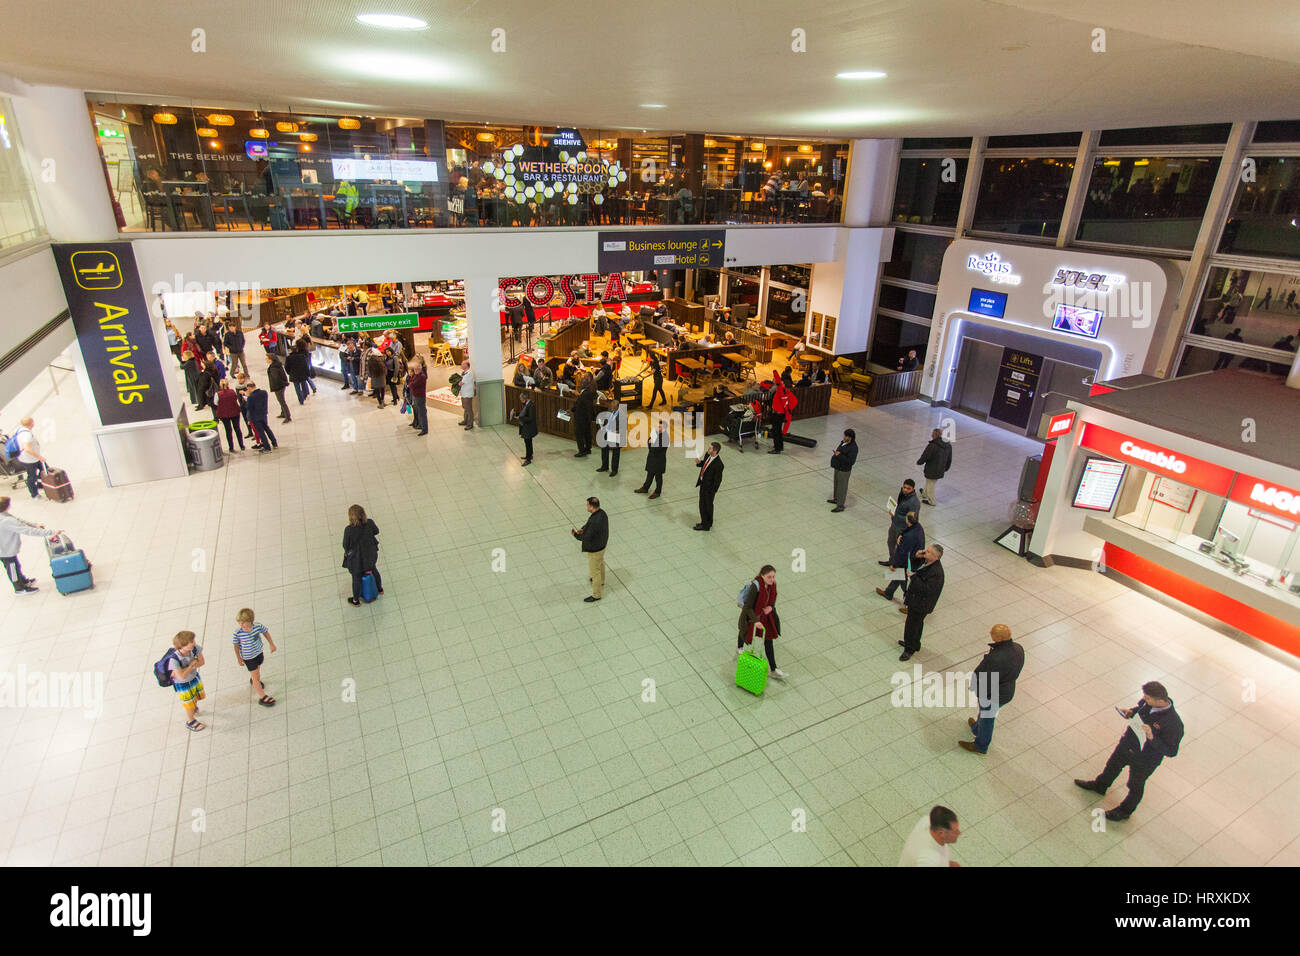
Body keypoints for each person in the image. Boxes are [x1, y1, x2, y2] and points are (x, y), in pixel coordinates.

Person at [1075, 681, 1184, 821]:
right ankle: (1099, 786)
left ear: (1161, 700)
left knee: (1135, 784)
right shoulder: (1148, 702)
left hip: (1145, 759)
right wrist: (1131, 712)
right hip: (1128, 744)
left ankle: (1124, 811)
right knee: (1112, 766)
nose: (1144, 700)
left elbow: (1171, 751)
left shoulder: (1174, 724)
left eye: (1147, 698)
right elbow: (1140, 708)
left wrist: (1152, 737)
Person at [959, 624, 1024, 756]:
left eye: (992, 633)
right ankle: (977, 728)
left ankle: (980, 746)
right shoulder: (1018, 648)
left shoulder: (997, 658)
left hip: (993, 693)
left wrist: (977, 688)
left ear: (999, 638)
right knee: (984, 713)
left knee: (988, 718)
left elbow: (987, 678)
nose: (990, 634)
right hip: (1007, 689)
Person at [736, 564, 786, 680]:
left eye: (773, 577)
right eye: (769, 577)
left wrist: (771, 607)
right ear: (762, 576)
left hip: (765, 616)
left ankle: (773, 668)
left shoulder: (772, 585)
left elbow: (772, 600)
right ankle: (740, 646)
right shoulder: (755, 586)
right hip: (752, 616)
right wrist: (756, 620)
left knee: (768, 640)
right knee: (744, 631)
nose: (772, 580)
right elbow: (747, 607)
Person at [899, 544, 944, 661]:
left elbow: (927, 589)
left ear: (935, 557)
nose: (924, 552)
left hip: (921, 604)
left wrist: (913, 578)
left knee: (912, 625)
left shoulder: (936, 573)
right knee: (917, 624)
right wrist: (917, 557)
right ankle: (914, 644)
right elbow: (915, 566)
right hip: (917, 600)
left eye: (928, 552)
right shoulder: (927, 562)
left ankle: (909, 649)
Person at [0, 496, 54, 592]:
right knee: (12, 568)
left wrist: (35, 525)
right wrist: (50, 532)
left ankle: (22, 581)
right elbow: (27, 531)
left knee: (16, 565)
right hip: (5, 551)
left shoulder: (4, 515)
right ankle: (19, 588)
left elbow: (19, 521)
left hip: (5, 548)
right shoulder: (6, 521)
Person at [876, 511, 924, 603]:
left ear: (908, 520)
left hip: (908, 562)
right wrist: (901, 535)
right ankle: (888, 592)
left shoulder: (909, 537)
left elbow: (903, 553)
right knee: (898, 576)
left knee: (904, 583)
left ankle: (908, 604)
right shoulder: (918, 527)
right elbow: (907, 530)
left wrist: (894, 564)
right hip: (913, 559)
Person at [232, 607, 276, 706]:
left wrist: (271, 644)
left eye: (244, 623)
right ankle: (262, 697)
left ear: (251, 621)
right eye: (240, 623)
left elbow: (266, 633)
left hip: (258, 653)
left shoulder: (257, 626)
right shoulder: (237, 633)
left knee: (258, 669)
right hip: (248, 658)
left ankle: (255, 680)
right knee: (255, 676)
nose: (242, 625)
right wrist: (239, 658)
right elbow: (235, 646)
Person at [165, 630, 207, 732]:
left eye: (193, 640)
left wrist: (186, 669)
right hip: (183, 685)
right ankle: (190, 721)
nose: (193, 643)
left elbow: (202, 662)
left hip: (194, 678)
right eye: (190, 642)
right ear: (182, 646)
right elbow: (182, 677)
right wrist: (192, 665)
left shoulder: (194, 649)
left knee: (196, 696)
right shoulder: (174, 660)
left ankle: (194, 708)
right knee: (189, 704)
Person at [342, 504, 383, 606]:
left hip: (357, 560)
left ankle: (355, 600)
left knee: (356, 577)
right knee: (373, 569)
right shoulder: (369, 522)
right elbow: (376, 531)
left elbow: (345, 545)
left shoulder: (349, 530)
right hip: (370, 555)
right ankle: (379, 589)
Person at [571, 496, 608, 603]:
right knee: (601, 563)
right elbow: (588, 526)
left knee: (594, 572)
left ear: (591, 506)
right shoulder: (602, 513)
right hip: (602, 545)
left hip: (595, 549)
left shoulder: (594, 521)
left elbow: (586, 537)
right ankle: (601, 581)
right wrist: (583, 529)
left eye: (587, 505)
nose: (586, 506)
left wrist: (576, 535)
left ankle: (596, 595)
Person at [880, 479, 921, 565]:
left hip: (902, 528)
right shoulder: (903, 494)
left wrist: (896, 515)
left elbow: (913, 519)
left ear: (913, 489)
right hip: (895, 524)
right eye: (904, 487)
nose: (905, 489)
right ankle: (892, 561)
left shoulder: (914, 502)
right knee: (890, 542)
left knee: (899, 548)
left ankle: (897, 564)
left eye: (908, 488)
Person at [916, 428, 953, 505]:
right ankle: (924, 493)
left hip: (932, 468)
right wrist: (946, 467)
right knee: (930, 481)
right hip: (941, 468)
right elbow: (949, 458)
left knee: (930, 484)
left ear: (934, 435)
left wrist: (919, 462)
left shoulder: (932, 446)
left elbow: (925, 456)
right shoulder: (948, 445)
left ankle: (931, 501)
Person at [13, 417, 47, 500]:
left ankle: (40, 484)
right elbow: (27, 448)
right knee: (32, 476)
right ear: (32, 423)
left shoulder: (19, 428)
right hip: (30, 460)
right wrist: (39, 457)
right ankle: (34, 494)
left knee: (45, 469)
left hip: (26, 457)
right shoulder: (26, 435)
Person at [694, 441, 724, 531]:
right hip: (703, 485)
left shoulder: (719, 464)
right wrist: (699, 463)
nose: (708, 449)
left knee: (705, 506)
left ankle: (705, 526)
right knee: (704, 505)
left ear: (715, 451)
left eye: (710, 448)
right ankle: (707, 522)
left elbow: (718, 480)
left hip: (709, 490)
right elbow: (705, 465)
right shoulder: (708, 455)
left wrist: (711, 491)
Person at [635, 420, 669, 498]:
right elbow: (649, 441)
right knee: (649, 474)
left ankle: (657, 492)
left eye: (660, 427)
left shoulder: (665, 438)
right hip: (652, 458)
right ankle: (645, 488)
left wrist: (651, 444)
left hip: (659, 460)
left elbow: (657, 449)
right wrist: (651, 444)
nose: (658, 428)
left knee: (658, 477)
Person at [241, 380, 277, 452]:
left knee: (261, 432)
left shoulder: (251, 397)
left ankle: (267, 447)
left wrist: (247, 398)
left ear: (249, 388)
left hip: (255, 417)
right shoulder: (264, 392)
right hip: (263, 414)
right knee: (267, 429)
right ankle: (274, 443)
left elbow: (248, 408)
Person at [828, 428, 857, 512]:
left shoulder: (853, 448)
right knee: (836, 484)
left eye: (846, 436)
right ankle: (836, 499)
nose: (844, 437)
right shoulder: (844, 443)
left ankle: (840, 506)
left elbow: (851, 461)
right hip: (838, 467)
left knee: (842, 487)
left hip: (844, 470)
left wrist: (839, 455)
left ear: (850, 437)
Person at [214, 379, 245, 452]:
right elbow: (235, 398)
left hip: (224, 414)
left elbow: (215, 403)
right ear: (228, 384)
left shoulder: (217, 394)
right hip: (234, 412)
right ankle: (241, 445)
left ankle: (231, 447)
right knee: (237, 429)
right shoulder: (232, 391)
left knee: (228, 430)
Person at [596, 398, 622, 477]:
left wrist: (616, 431)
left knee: (615, 453)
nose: (612, 409)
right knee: (604, 449)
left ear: (617, 407)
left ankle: (614, 470)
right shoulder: (610, 410)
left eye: (613, 408)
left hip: (615, 435)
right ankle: (604, 466)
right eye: (611, 407)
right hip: (607, 432)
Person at [572, 380, 596, 457]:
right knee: (587, 433)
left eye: (581, 383)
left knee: (579, 434)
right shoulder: (589, 392)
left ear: (584, 384)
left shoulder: (585, 394)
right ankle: (588, 449)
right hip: (587, 417)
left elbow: (580, 405)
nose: (579, 384)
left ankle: (582, 451)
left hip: (581, 417)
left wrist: (578, 396)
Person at [265, 353, 291, 421]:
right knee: (281, 400)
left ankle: (288, 416)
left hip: (278, 387)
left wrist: (280, 384)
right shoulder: (276, 364)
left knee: (282, 401)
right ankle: (283, 413)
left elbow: (276, 378)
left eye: (267, 358)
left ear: (271, 359)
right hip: (281, 385)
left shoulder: (274, 368)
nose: (266, 360)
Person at [406, 356, 428, 436]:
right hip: (415, 395)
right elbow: (411, 381)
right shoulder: (416, 375)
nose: (414, 371)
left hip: (420, 396)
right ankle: (419, 424)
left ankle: (424, 429)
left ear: (420, 369)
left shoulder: (421, 376)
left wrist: (410, 384)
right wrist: (410, 383)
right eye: (414, 369)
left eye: (416, 369)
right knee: (417, 411)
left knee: (422, 413)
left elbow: (412, 384)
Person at [286, 339, 312, 405]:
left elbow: (286, 367)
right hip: (302, 374)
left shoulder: (289, 358)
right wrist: (307, 372)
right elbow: (305, 365)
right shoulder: (302, 356)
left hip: (294, 374)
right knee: (303, 384)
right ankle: (305, 395)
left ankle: (301, 400)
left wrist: (290, 373)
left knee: (297, 388)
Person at [518, 390, 537, 465]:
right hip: (527, 427)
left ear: (524, 399)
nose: (521, 401)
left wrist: (521, 418)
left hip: (529, 428)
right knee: (527, 442)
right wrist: (518, 414)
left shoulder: (531, 406)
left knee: (528, 443)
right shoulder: (527, 404)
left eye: (521, 400)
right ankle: (529, 455)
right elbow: (525, 413)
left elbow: (530, 418)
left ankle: (528, 460)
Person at [458, 359, 477, 429]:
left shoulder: (469, 373)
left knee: (468, 409)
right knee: (465, 407)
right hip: (463, 393)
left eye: (462, 364)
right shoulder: (463, 372)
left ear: (466, 365)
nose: (461, 365)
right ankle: (465, 420)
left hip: (467, 394)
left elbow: (460, 383)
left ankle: (470, 424)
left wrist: (457, 382)